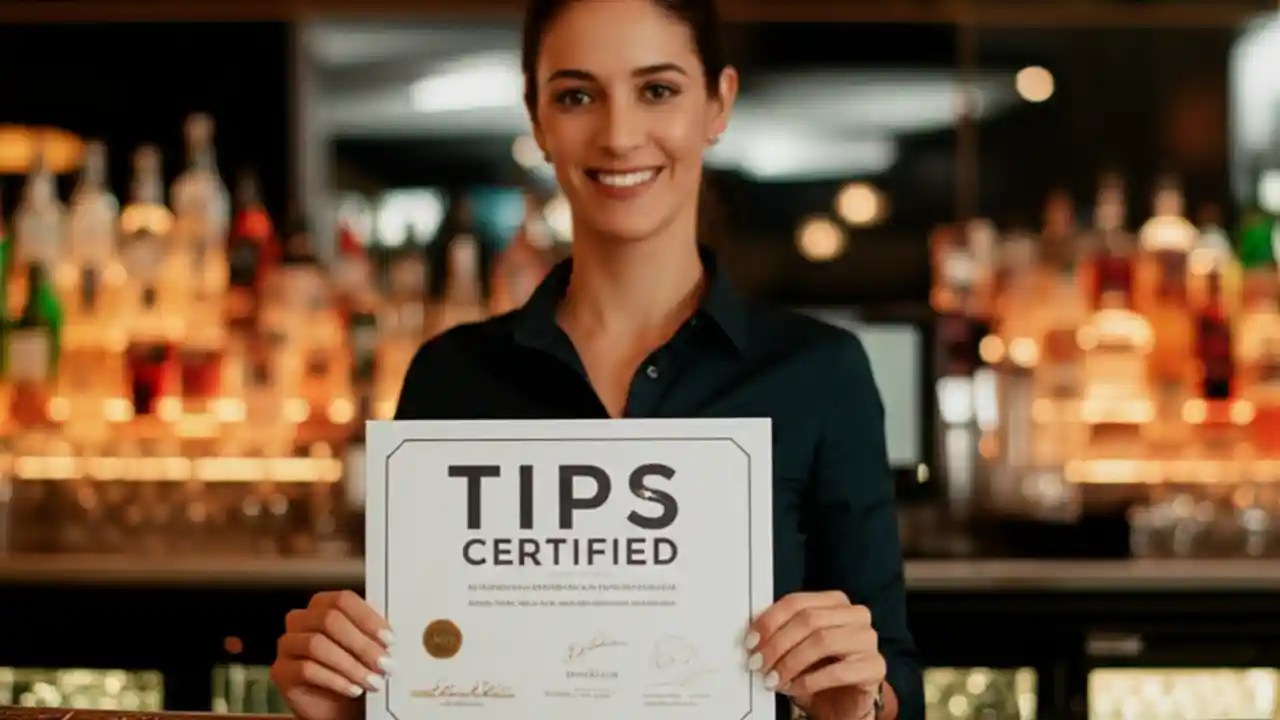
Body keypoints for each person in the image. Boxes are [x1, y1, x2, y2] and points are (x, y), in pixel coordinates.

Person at [269, 0, 925, 718]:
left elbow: (896, 684)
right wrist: (347, 703)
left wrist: (860, 699)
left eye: (658, 90)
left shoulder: (820, 372)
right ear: (538, 118)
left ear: (718, 103)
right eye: (577, 96)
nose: (618, 135)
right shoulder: (451, 376)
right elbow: (425, 678)